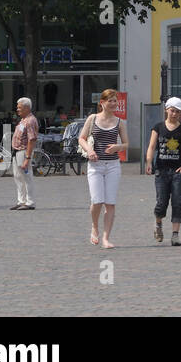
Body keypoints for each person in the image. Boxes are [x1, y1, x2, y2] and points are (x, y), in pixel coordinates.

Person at [79, 88, 127, 248]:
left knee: (110, 203)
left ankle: (106, 238)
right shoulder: (92, 118)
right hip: (95, 165)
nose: (113, 103)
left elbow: (126, 143)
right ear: (102, 102)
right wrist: (89, 150)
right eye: (110, 101)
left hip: (113, 165)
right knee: (97, 201)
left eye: (115, 101)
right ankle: (94, 226)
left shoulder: (119, 122)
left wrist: (118, 147)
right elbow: (81, 138)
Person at [146, 97, 181, 247]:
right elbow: (151, 147)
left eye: (178, 112)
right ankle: (158, 224)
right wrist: (149, 162)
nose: (175, 114)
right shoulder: (158, 127)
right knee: (161, 202)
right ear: (166, 110)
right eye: (173, 111)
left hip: (178, 172)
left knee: (178, 202)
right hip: (161, 171)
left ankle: (175, 235)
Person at [10, 97, 39, 211]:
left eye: (19, 107)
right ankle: (21, 201)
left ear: (27, 108)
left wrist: (27, 157)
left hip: (23, 152)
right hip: (17, 152)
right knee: (18, 177)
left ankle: (30, 202)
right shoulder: (23, 120)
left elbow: (32, 139)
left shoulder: (30, 121)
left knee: (27, 177)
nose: (17, 109)